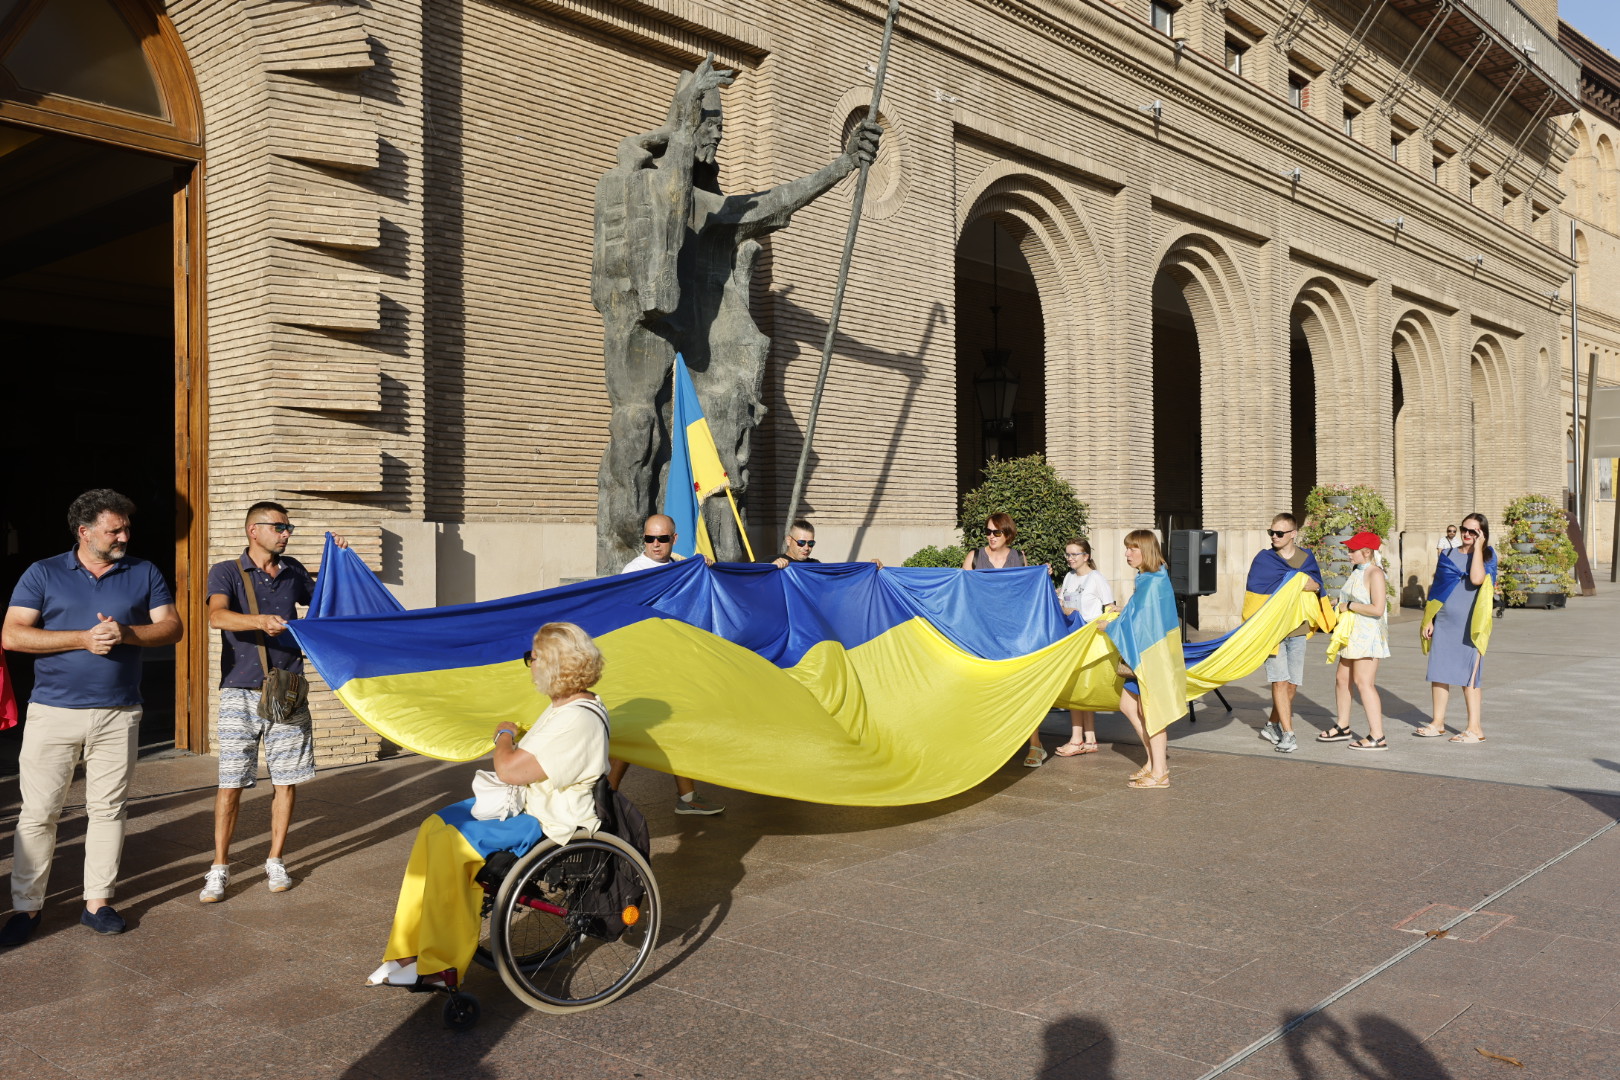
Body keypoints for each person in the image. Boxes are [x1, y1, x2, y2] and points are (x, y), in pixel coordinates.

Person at [368, 622, 611, 988]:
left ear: (552, 665)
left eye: (533, 658)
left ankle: (441, 964)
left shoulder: (578, 718)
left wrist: (504, 736)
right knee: (436, 824)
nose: (530, 667)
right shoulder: (565, 706)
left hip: (549, 820)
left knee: (455, 844)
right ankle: (407, 949)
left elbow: (511, 769)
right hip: (532, 805)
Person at [0, 489, 182, 944]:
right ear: (84, 532)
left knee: (108, 810)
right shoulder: (42, 572)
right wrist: (82, 638)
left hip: (119, 713)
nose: (124, 535)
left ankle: (97, 902)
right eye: (114, 529)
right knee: (39, 814)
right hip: (53, 712)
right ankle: (26, 909)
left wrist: (127, 632)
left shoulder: (143, 571)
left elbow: (172, 627)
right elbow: (14, 636)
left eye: (125, 527)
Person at [197, 503, 349, 904]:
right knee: (231, 784)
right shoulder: (227, 571)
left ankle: (275, 858)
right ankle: (219, 867)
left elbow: (329, 599)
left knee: (286, 779)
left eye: (289, 527)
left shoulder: (294, 570)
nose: (286, 533)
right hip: (240, 689)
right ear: (253, 530)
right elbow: (217, 617)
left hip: (286, 688)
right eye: (279, 527)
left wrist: (343, 561)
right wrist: (258, 621)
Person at [612, 514, 724, 815]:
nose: (655, 544)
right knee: (635, 732)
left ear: (674, 539)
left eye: (662, 538)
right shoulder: (635, 571)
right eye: (649, 538)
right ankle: (606, 795)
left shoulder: (678, 566)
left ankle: (687, 798)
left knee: (676, 727)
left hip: (672, 665)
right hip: (645, 666)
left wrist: (703, 567)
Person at [1416, 513, 1497, 743]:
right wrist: (1429, 619)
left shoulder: (1489, 556)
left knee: (1468, 676)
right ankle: (1437, 723)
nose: (1467, 534)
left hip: (1471, 625)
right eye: (1465, 529)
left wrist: (1479, 548)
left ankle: (1475, 729)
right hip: (1444, 621)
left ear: (1482, 533)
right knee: (1439, 672)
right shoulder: (1448, 554)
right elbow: (1437, 588)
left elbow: (1477, 579)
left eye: (1474, 531)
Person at [1249, 513, 1322, 755]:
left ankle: (1272, 725)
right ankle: (1289, 734)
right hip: (1274, 631)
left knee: (1292, 684)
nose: (1274, 537)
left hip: (1298, 629)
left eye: (1279, 533)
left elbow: (1317, 585)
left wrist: (1299, 581)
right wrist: (1297, 581)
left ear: (1293, 533)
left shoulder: (1306, 557)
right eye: (1272, 532)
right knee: (1279, 681)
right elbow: (1256, 592)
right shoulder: (1264, 560)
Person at [1115, 531, 1179, 789]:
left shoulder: (1153, 581)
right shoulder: (1148, 578)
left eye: (1132, 549)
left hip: (1150, 656)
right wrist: (1124, 611)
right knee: (1128, 706)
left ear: (1146, 550)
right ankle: (1155, 761)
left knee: (1151, 712)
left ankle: (1160, 772)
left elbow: (1143, 624)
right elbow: (1140, 613)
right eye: (1127, 549)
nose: (1127, 554)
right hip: (1142, 655)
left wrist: (1111, 626)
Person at [1318, 532, 1390, 750]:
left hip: (1367, 634)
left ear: (1366, 552)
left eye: (1352, 550)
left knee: (1363, 682)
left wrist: (1348, 606)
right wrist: (1334, 602)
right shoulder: (1357, 571)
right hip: (1351, 633)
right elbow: (1349, 597)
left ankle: (1377, 735)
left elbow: (1378, 608)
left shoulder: (1374, 573)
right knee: (1342, 678)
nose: (1348, 553)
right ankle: (1343, 725)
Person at [1049, 539, 1116, 759]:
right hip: (1072, 637)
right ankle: (1089, 739)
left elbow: (1109, 607)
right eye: (1067, 554)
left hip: (1089, 639)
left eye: (1074, 554)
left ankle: (1077, 739)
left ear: (1086, 556)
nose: (1070, 558)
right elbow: (1060, 603)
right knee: (1080, 687)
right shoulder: (1068, 577)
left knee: (1078, 688)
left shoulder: (1096, 578)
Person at [961, 513, 1026, 571]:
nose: (991, 536)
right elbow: (964, 583)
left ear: (1008, 534)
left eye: (997, 532)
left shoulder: (1019, 558)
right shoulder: (973, 557)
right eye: (988, 531)